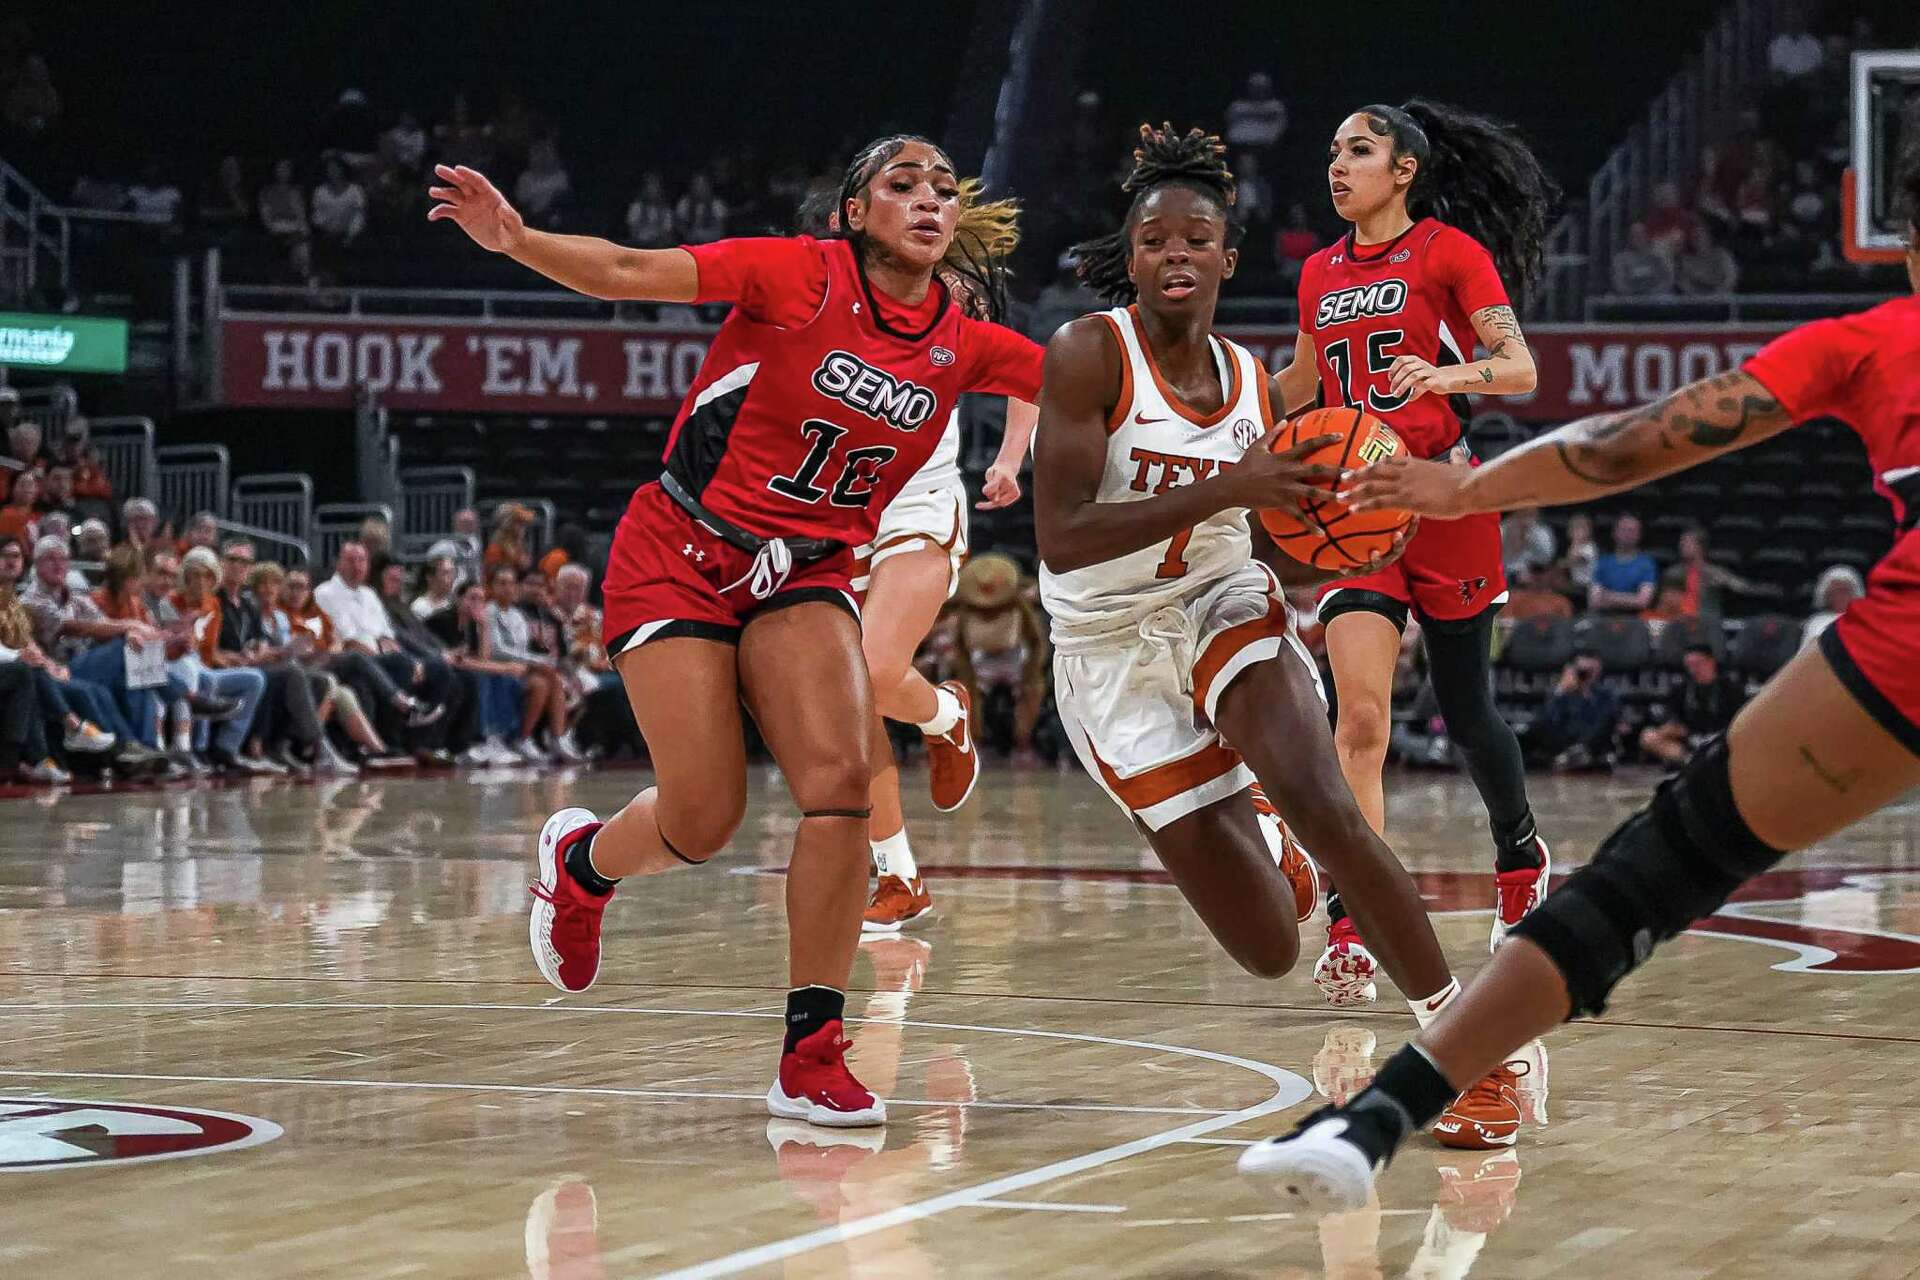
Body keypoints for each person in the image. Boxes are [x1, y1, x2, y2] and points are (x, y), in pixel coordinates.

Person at [1247, 162, 1920, 1198]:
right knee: (1387, 720)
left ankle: (1376, 1118)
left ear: (1906, 243)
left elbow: (1619, 449)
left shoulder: (1875, 338)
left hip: (1906, 649)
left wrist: (1466, 485)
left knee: (1653, 871)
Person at [428, 131, 1045, 1126]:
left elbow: (1091, 385)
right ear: (855, 211)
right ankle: (582, 869)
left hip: (802, 573)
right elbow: (633, 270)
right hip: (681, 548)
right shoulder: (796, 272)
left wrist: (1243, 406)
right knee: (703, 817)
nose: (929, 200)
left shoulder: (961, 341)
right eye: (902, 184)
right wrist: (516, 240)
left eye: (942, 187)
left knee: (841, 786)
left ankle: (811, 1051)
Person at [1036, 124, 1509, 1141]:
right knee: (1267, 945)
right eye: (1155, 238)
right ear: (1131, 257)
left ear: (1227, 257)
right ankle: (1261, 829)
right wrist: (1236, 483)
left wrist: (1349, 539)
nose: (1175, 253)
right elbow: (1063, 537)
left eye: (1196, 237)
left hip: (1219, 600)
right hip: (1109, 647)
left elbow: (1267, 539)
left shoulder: (1253, 383)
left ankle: (1463, 1047)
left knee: (1331, 800)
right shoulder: (1087, 352)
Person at [1269, 100, 1558, 992]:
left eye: (1359, 149)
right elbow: (1304, 382)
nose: (1337, 164)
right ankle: (1353, 919)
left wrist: (1445, 372)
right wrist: (1210, 388)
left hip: (1447, 490)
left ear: (1403, 171)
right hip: (1361, 508)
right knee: (1358, 719)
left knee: (1469, 713)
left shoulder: (1447, 252)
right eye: (1332, 150)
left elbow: (1521, 369)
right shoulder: (1317, 271)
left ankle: (1520, 857)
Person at [787, 184, 1040, 931]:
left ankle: (944, 713)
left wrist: (1010, 459)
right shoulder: (798, 315)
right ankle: (899, 877)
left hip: (919, 506)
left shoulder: (941, 299)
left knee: (863, 673)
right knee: (845, 697)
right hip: (834, 518)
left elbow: (1030, 371)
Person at [1639, 643, 1744, 767]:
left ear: (1711, 662)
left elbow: (1738, 720)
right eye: (1689, 665)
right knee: (1648, 736)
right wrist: (1671, 728)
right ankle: (1689, 760)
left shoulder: (1730, 688)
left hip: (1720, 739)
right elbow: (1672, 716)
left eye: (1697, 664)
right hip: (1689, 740)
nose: (1693, 669)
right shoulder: (1681, 688)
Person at [1518, 650, 1619, 771]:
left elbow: (1607, 719)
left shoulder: (1605, 693)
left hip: (1590, 742)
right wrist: (1560, 691)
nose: (1586, 674)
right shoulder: (1562, 692)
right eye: (1582, 670)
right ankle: (1568, 757)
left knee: (1606, 720)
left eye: (1591, 670)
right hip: (1565, 741)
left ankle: (1579, 755)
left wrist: (1587, 695)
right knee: (1537, 726)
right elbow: (1549, 719)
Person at [1589, 513, 1658, 614]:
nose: (1627, 534)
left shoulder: (1647, 564)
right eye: (1623, 529)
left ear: (1639, 535)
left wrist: (1608, 596)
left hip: (1635, 620)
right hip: (1604, 619)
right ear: (1614, 533)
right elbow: (1594, 600)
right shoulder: (1602, 562)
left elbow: (1643, 601)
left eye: (1632, 531)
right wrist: (1630, 599)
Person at [1802, 564, 1864, 648]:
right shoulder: (1815, 622)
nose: (1840, 596)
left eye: (1845, 591)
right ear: (1826, 595)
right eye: (1835, 592)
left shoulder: (1864, 622)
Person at [1610, 222, 1674, 296]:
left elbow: (1666, 280)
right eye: (1635, 235)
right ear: (1629, 238)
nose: (1638, 238)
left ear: (1646, 236)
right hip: (1630, 299)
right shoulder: (1620, 260)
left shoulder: (1656, 257)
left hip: (1655, 297)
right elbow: (1619, 284)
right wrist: (1635, 293)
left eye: (1641, 235)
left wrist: (1653, 292)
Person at [1499, 507, 1554, 586]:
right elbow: (1496, 560)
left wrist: (1530, 539)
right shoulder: (1501, 530)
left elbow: (1546, 559)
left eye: (1530, 515)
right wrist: (1511, 540)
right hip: (1505, 576)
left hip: (1534, 577)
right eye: (1523, 514)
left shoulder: (1542, 532)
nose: (1526, 519)